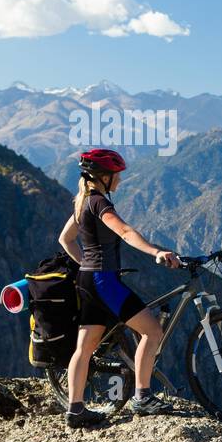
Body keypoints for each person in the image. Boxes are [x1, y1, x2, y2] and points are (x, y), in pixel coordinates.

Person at [58, 148, 181, 427]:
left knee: (85, 348)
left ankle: (75, 410)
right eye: (117, 175)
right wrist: (155, 252)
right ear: (104, 176)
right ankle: (142, 397)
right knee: (152, 331)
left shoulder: (82, 201)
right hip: (104, 281)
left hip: (87, 281)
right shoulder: (100, 203)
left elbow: (65, 239)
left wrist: (85, 264)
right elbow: (125, 232)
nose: (120, 180)